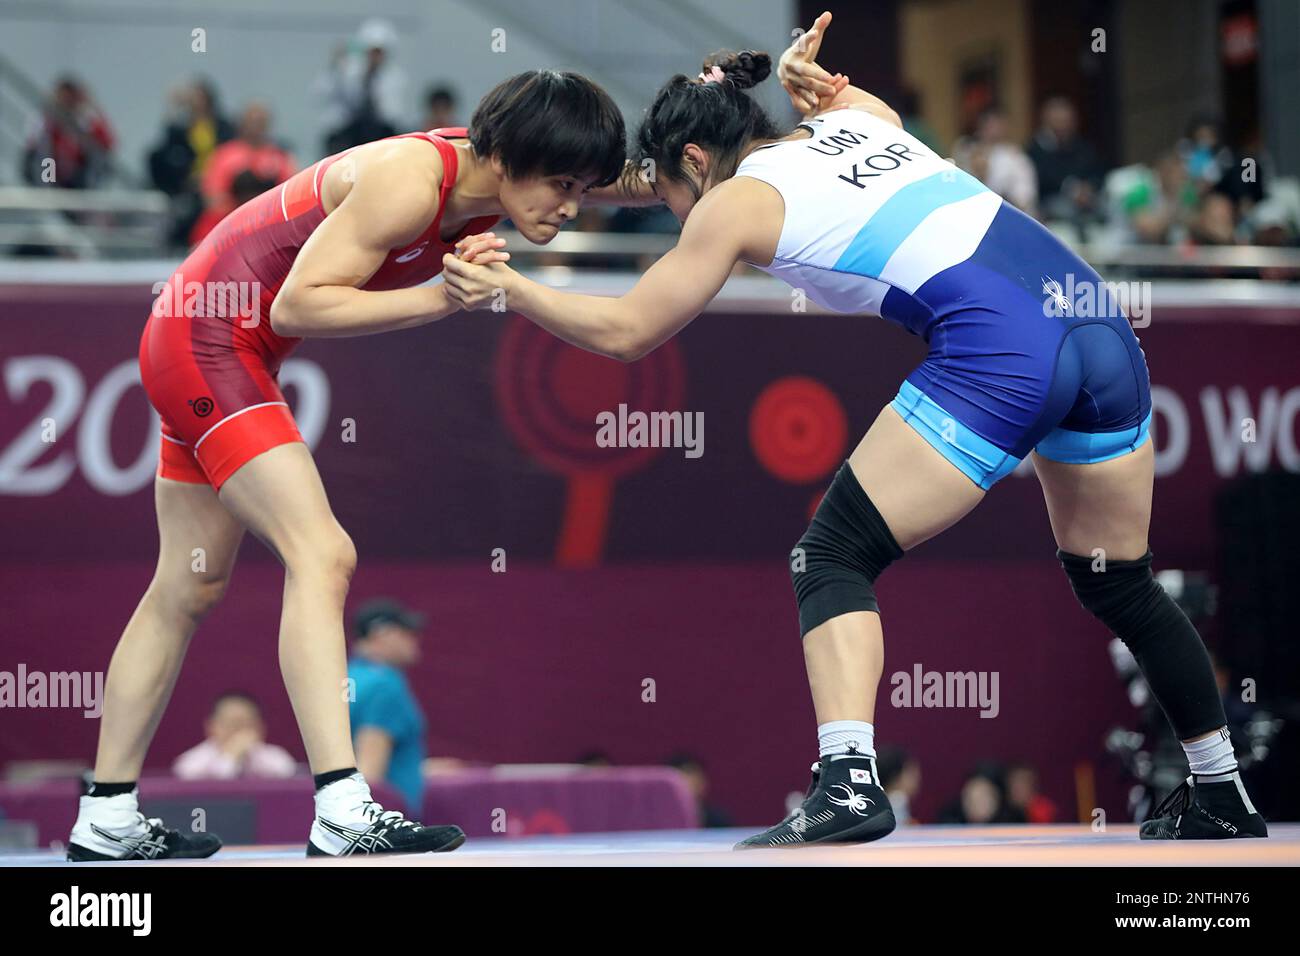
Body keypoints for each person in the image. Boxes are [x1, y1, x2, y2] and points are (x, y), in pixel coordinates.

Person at [443, 11, 1269, 847]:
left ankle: (845, 785)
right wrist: (816, 85)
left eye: (669, 195)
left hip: (1005, 347)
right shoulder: (858, 119)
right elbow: (827, 112)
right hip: (1099, 325)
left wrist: (509, 290)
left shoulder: (729, 205)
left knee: (833, 554)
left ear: (697, 163)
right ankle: (1221, 789)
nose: (675, 214)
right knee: (1120, 581)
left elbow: (627, 333)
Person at [66, 69, 629, 861]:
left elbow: (627, 182)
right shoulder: (408, 182)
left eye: (584, 187)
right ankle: (339, 805)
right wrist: (441, 296)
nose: (573, 207)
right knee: (322, 552)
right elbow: (298, 305)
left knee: (186, 586)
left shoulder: (493, 177)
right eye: (563, 185)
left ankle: (105, 818)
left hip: (199, 338)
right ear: (507, 159)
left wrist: (718, 140)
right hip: (209, 341)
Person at [348, 600, 429, 814]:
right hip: (389, 824)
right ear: (382, 634)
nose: (415, 640)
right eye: (407, 632)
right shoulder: (385, 686)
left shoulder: (349, 678)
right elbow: (370, 768)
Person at [172, 692, 297, 780]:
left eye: (245, 723)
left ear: (260, 727)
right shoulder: (191, 762)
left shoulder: (276, 756)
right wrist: (231, 757)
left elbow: (288, 774)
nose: (237, 731)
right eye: (231, 723)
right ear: (211, 726)